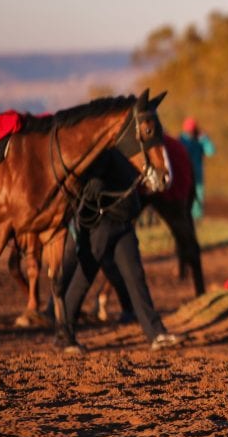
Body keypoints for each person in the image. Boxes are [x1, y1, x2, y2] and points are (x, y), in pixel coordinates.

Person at [59, 149, 181, 351]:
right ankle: (64, 335)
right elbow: (91, 187)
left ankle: (156, 334)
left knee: (135, 276)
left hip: (123, 224)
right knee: (85, 275)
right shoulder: (103, 152)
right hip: (102, 225)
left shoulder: (127, 152)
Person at [179, 116, 215, 219]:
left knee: (198, 200)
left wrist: (204, 139)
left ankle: (197, 220)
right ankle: (186, 219)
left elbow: (211, 151)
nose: (190, 133)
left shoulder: (200, 141)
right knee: (184, 199)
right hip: (184, 176)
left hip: (197, 176)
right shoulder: (181, 141)